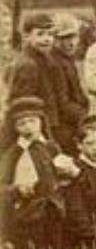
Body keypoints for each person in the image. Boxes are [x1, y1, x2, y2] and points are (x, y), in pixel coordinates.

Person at [0, 97, 66, 249]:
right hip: (21, 202)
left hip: (50, 202)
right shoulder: (12, 153)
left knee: (50, 217)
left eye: (32, 121)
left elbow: (62, 171)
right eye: (21, 123)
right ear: (15, 128)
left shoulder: (50, 147)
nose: (28, 127)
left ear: (41, 122)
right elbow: (3, 182)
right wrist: (16, 189)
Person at [6, 13, 74, 150]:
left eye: (50, 34)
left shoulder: (46, 59)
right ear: (27, 36)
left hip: (52, 124)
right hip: (36, 129)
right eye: (40, 34)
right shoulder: (28, 65)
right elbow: (23, 106)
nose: (46, 39)